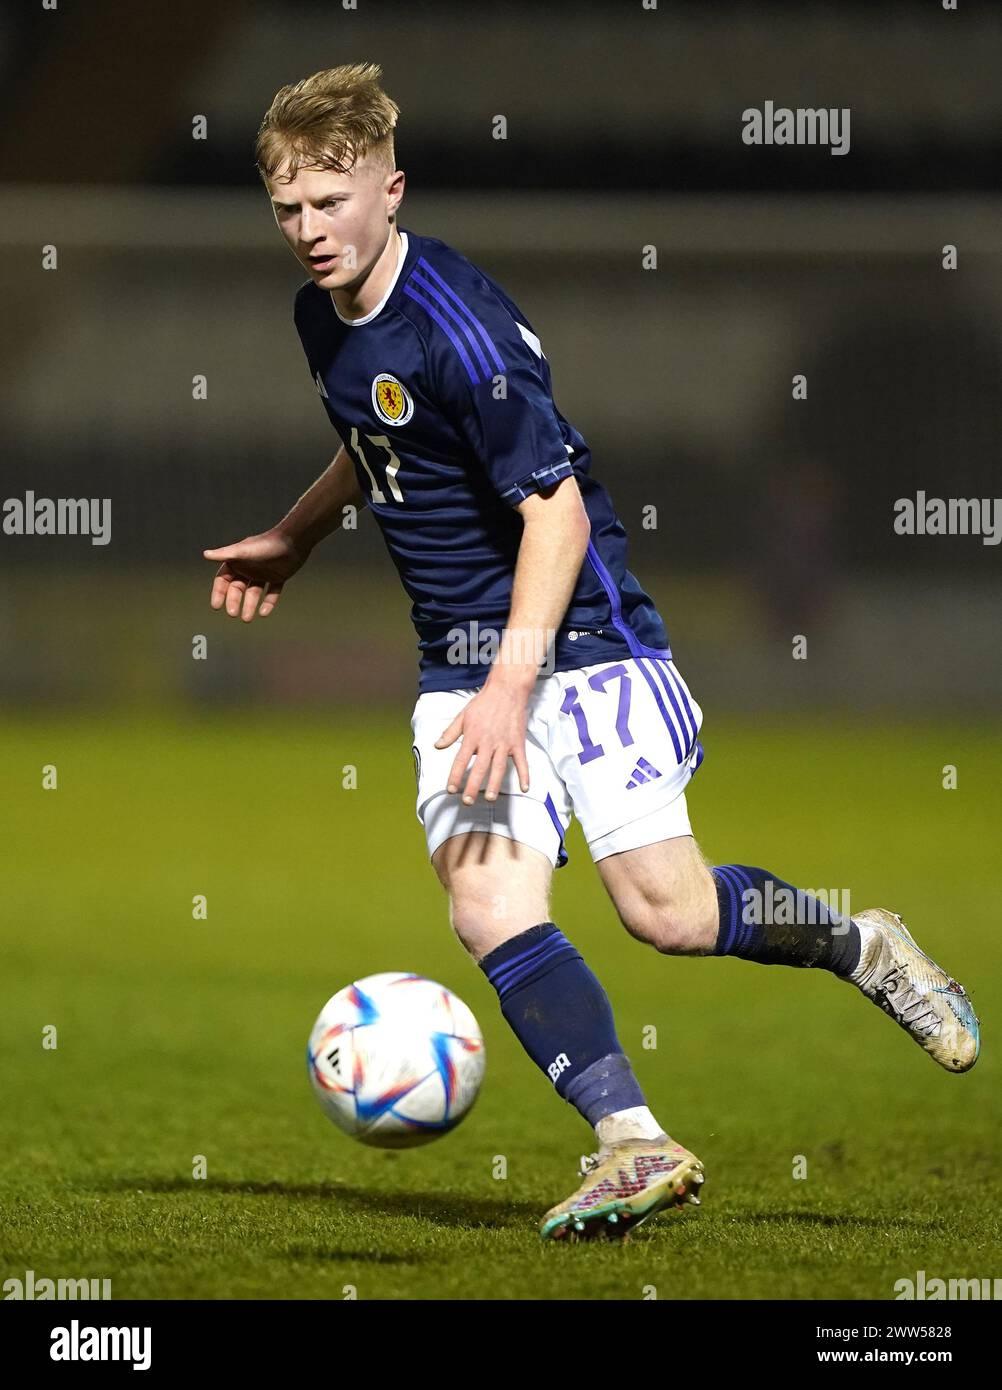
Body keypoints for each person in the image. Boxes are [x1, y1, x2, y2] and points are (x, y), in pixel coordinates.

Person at [204, 63, 979, 1242]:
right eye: (289, 209)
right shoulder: (323, 312)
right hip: (465, 660)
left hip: (580, 641)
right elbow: (372, 441)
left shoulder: (461, 329)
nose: (310, 231)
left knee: (664, 911)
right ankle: (633, 1139)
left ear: (391, 191)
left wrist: (516, 681)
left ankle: (863, 941)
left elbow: (554, 516)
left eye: (331, 203)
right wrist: (295, 539)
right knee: (488, 908)